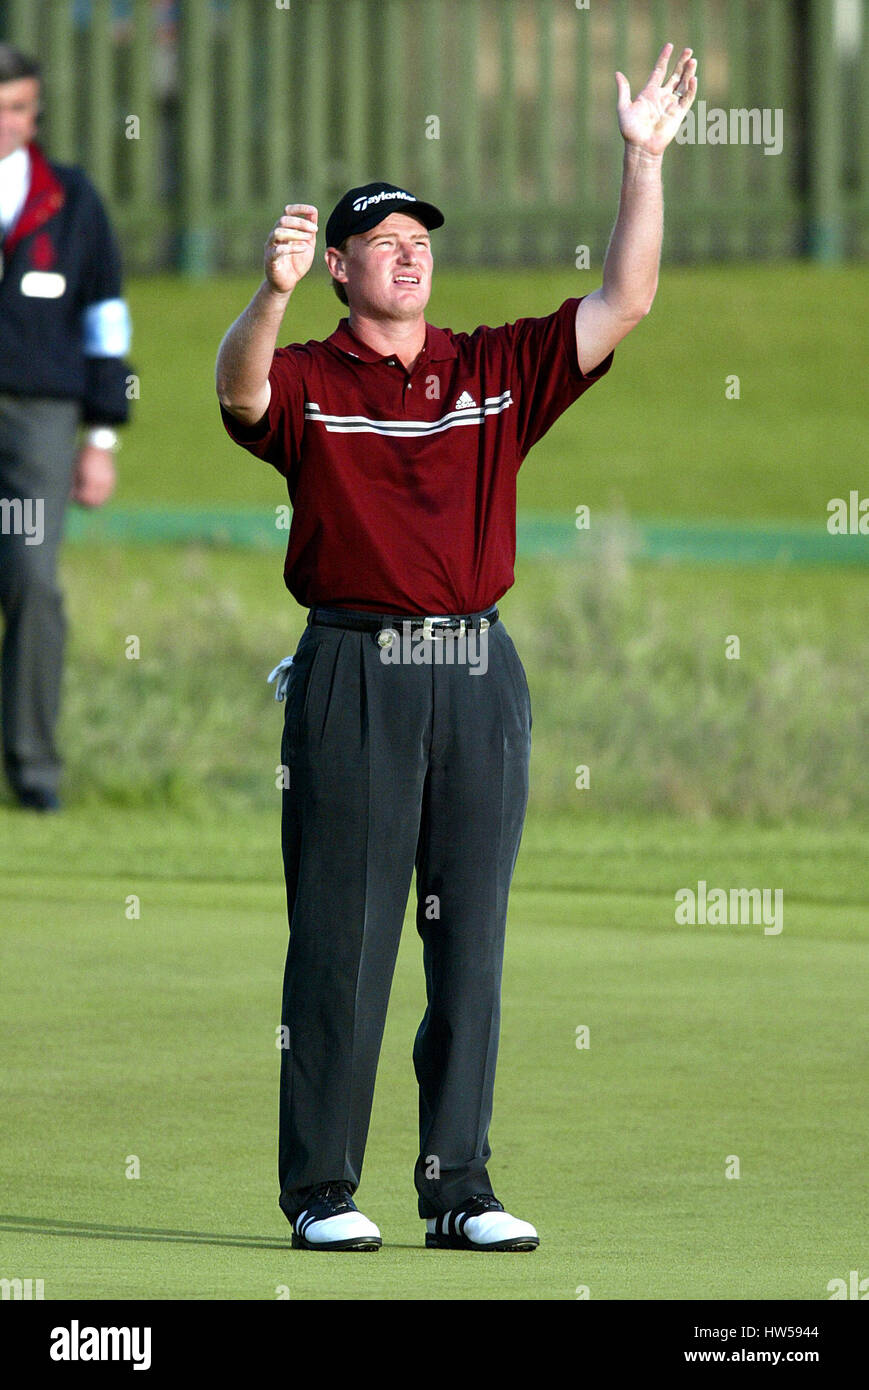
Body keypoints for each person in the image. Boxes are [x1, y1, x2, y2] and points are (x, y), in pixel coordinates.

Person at [216, 43, 697, 1251]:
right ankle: (323, 1191)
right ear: (339, 267)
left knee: (468, 941)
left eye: (418, 233)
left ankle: (459, 1187)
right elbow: (238, 398)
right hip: (354, 671)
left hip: (477, 671)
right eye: (380, 237)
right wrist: (266, 298)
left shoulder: (487, 370)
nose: (408, 247)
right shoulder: (310, 376)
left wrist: (639, 162)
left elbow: (624, 301)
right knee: (343, 938)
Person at [0, 44, 132, 812]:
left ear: (35, 111)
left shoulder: (71, 200)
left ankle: (33, 769)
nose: (5, 124)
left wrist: (101, 438)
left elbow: (106, 319)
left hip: (40, 419)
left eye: (18, 108)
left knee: (33, 585)